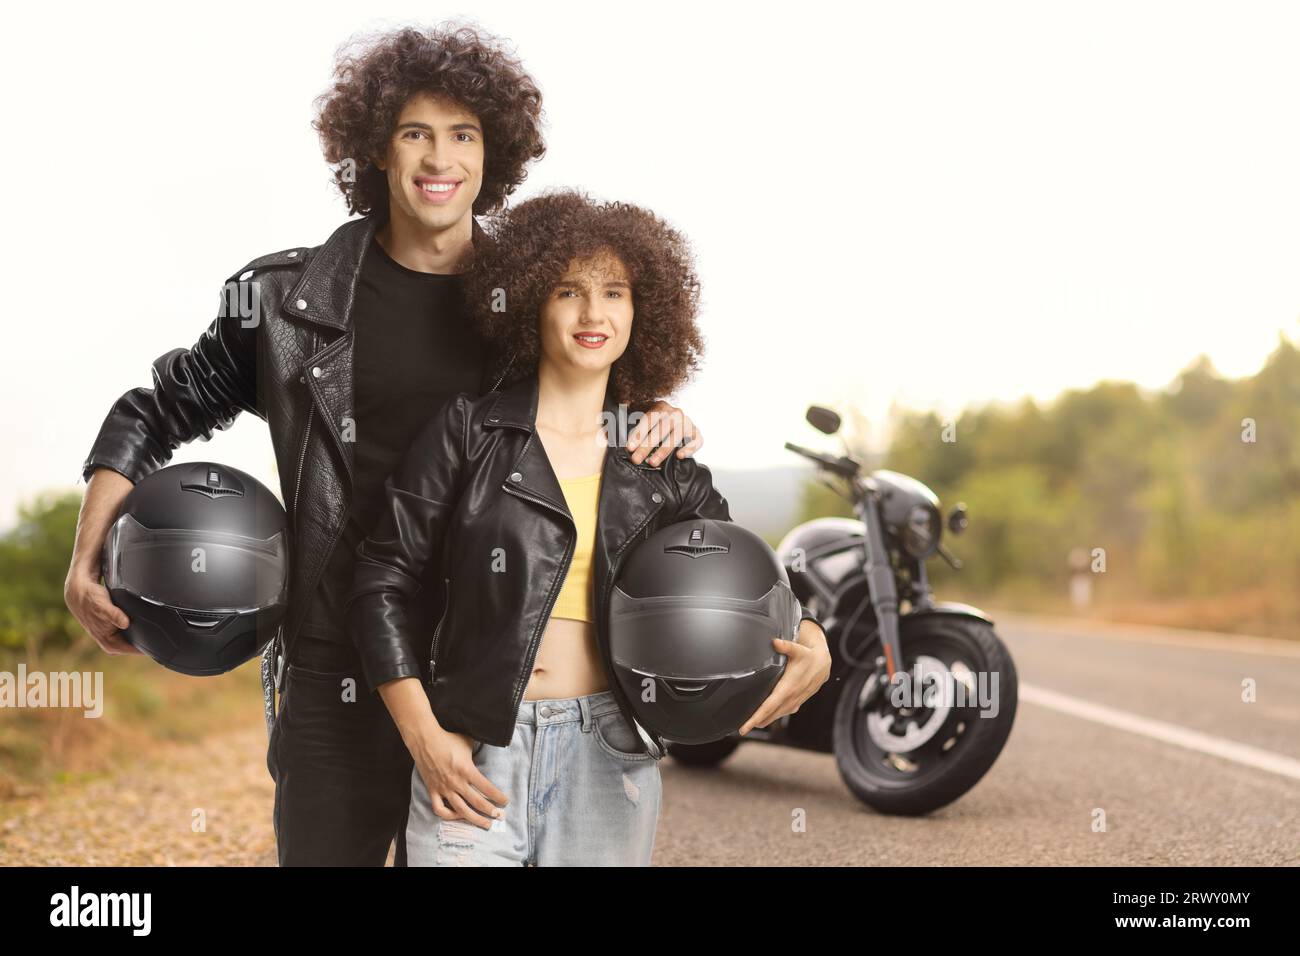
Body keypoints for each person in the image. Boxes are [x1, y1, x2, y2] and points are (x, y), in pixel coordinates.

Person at [64, 24, 711, 866]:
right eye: (415, 132)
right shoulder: (287, 301)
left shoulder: (530, 303)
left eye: (464, 134)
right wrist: (87, 558)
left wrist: (654, 410)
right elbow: (155, 410)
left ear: (494, 154)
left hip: (487, 669)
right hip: (337, 660)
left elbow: (596, 395)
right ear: (375, 147)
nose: (439, 158)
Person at [345, 190, 832, 866]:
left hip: (610, 751)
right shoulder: (467, 431)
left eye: (614, 292)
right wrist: (424, 733)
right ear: (532, 304)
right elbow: (380, 578)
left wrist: (808, 632)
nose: (593, 312)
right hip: (475, 747)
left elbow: (744, 579)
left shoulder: (662, 459)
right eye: (568, 291)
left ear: (644, 312)